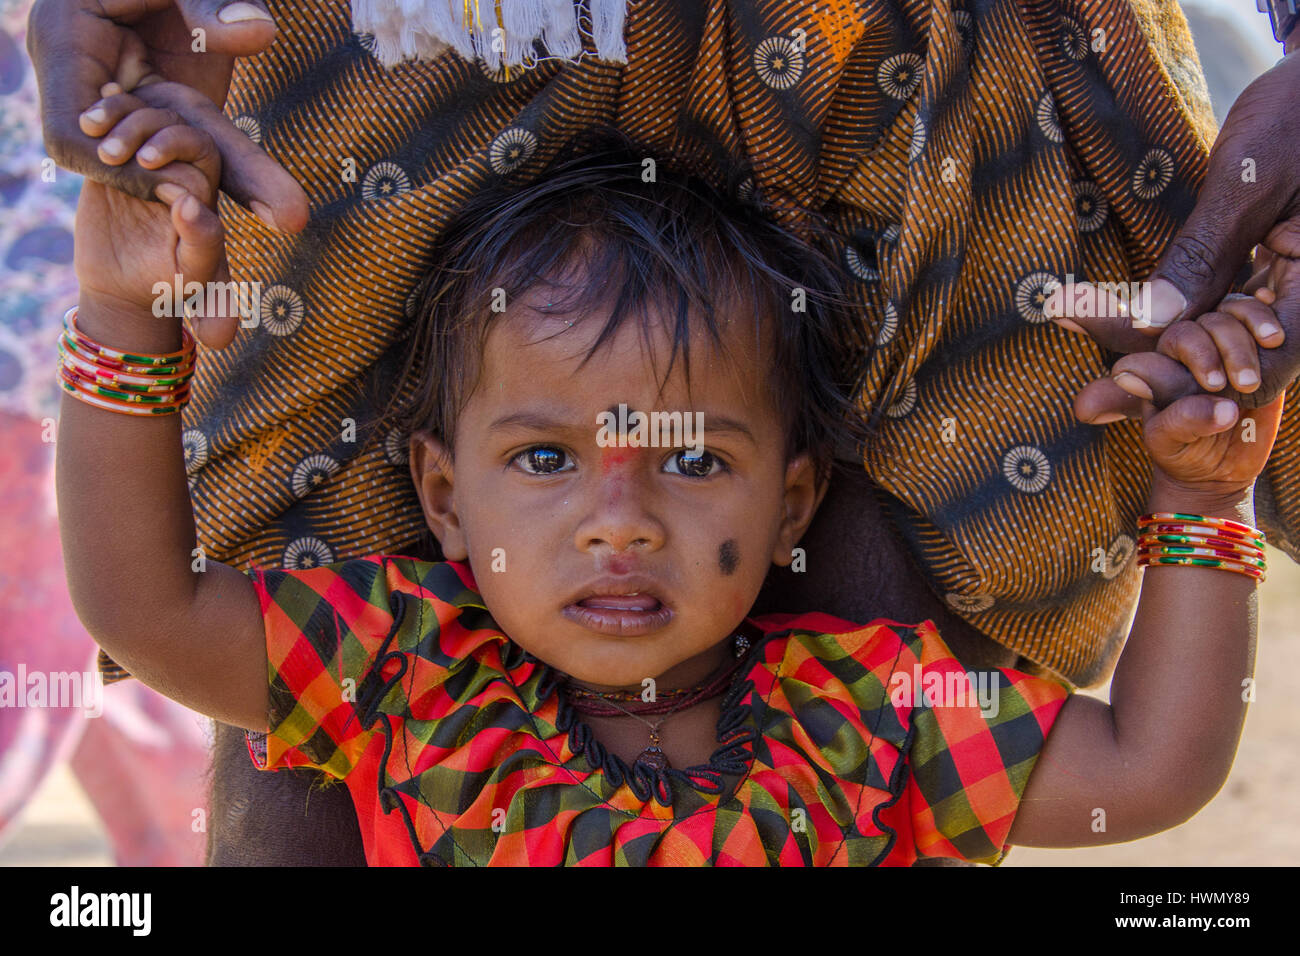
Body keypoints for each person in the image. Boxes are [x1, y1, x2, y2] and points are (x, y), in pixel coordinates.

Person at [28, 0, 1300, 865]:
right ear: (441, 494)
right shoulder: (406, 675)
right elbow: (144, 605)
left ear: (794, 503)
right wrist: (126, 314)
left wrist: (1198, 500)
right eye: (543, 458)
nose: (620, 517)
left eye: (695, 460)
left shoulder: (865, 713)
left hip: (892, 94)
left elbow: (1148, 766)